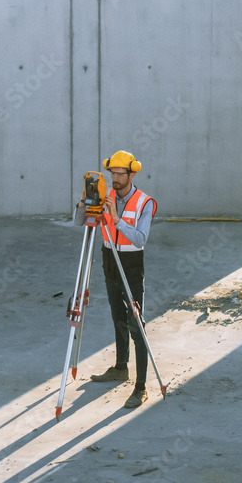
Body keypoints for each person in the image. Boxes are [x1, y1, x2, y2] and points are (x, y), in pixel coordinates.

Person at [73, 150, 157, 408]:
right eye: (113, 173)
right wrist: (82, 205)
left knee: (136, 322)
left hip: (131, 265)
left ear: (132, 174)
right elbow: (78, 223)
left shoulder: (145, 202)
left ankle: (141, 386)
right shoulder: (105, 195)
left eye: (121, 174)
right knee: (117, 317)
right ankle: (121, 367)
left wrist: (117, 219)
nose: (115, 179)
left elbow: (140, 239)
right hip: (109, 258)